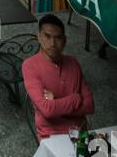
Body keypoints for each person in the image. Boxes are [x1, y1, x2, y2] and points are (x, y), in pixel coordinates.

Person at [22, 13, 95, 143]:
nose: (53, 43)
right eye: (47, 36)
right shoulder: (29, 66)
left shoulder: (73, 62)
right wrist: (75, 98)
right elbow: (47, 111)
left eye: (58, 38)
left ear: (65, 41)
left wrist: (55, 101)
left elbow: (89, 106)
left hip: (82, 133)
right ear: (38, 37)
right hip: (51, 136)